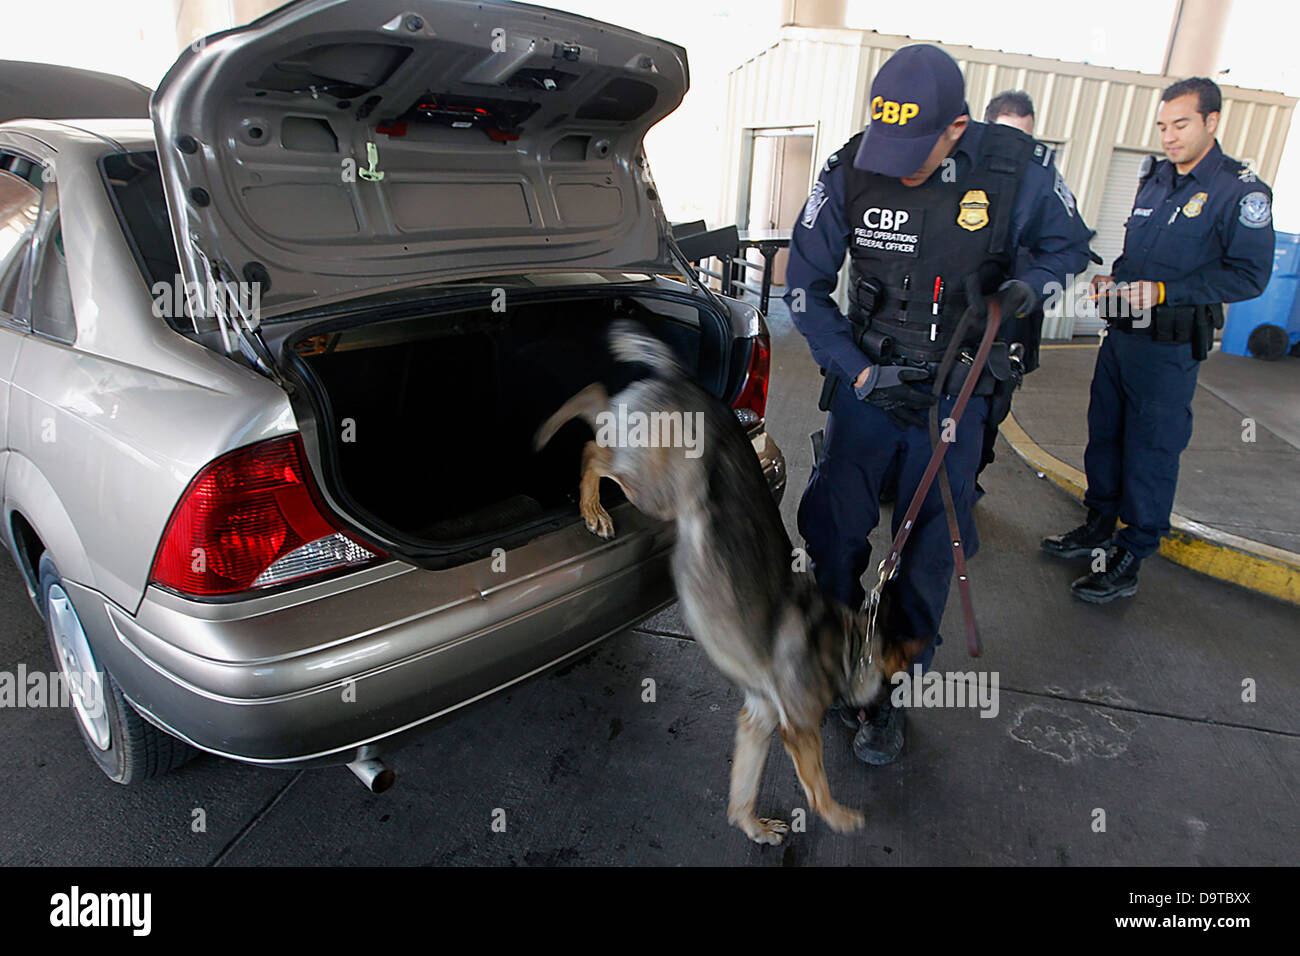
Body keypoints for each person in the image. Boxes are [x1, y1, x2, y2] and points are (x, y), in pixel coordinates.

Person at [785, 44, 1092, 764]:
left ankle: (888, 694)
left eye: (917, 148)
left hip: (959, 392)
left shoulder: (1018, 169)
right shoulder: (852, 166)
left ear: (959, 126)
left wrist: (1027, 289)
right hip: (869, 389)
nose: (900, 163)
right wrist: (857, 373)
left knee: (928, 551)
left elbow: (1070, 248)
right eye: (891, 144)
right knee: (834, 532)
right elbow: (802, 286)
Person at [1041, 76, 1274, 603]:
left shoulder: (1240, 191)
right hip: (1121, 335)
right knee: (1104, 433)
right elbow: (1134, 256)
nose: (1169, 136)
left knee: (1151, 448)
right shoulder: (1155, 179)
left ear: (1212, 122)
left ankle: (1133, 550)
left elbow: (1249, 275)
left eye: (1181, 124)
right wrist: (1113, 281)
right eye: (1163, 126)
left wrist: (1166, 291)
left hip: (1169, 349)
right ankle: (1100, 525)